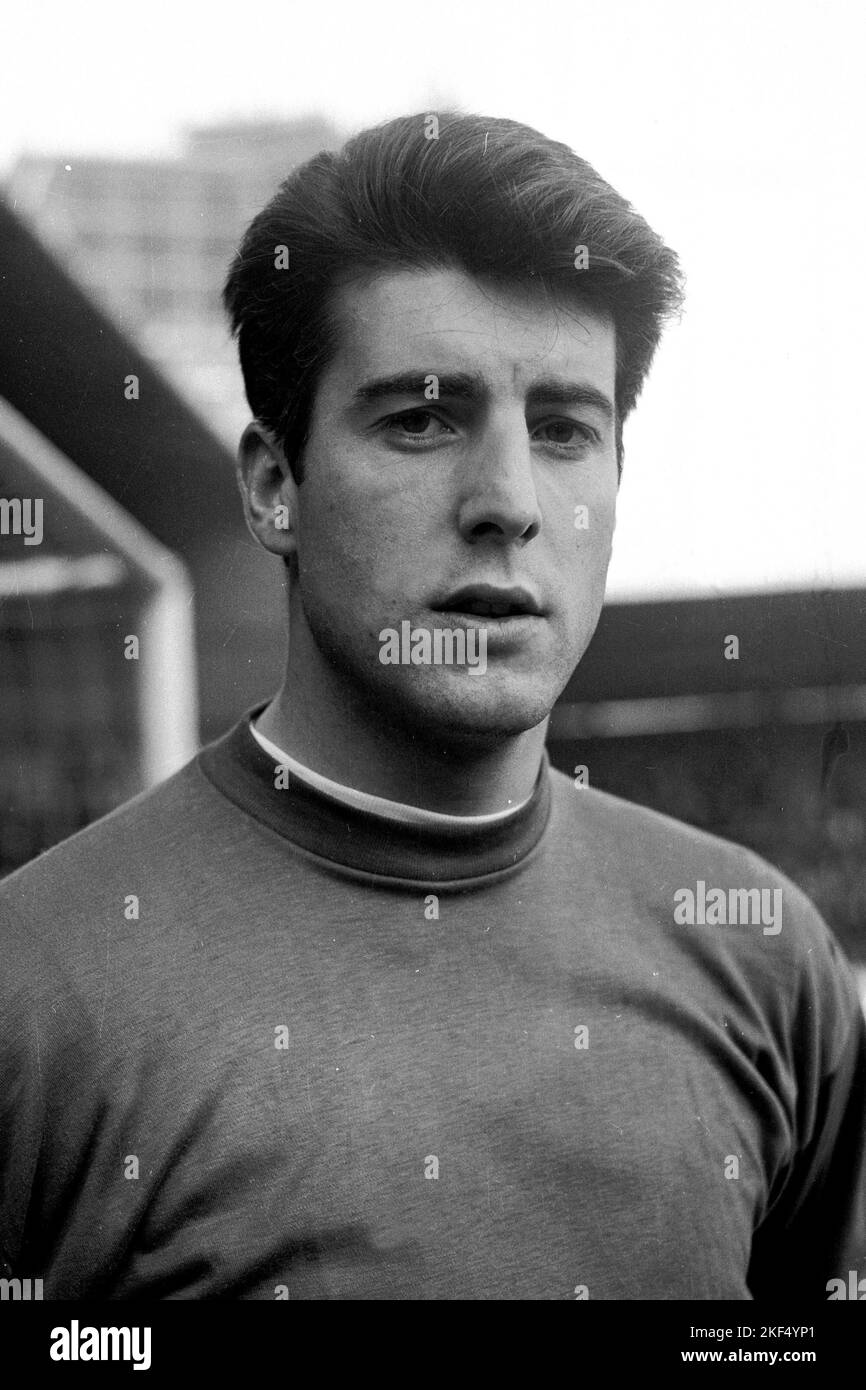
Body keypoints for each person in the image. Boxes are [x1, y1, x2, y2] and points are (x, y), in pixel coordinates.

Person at [1, 112, 864, 1301]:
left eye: (564, 428)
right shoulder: (36, 995)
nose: (506, 500)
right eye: (420, 417)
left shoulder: (765, 960)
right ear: (272, 487)